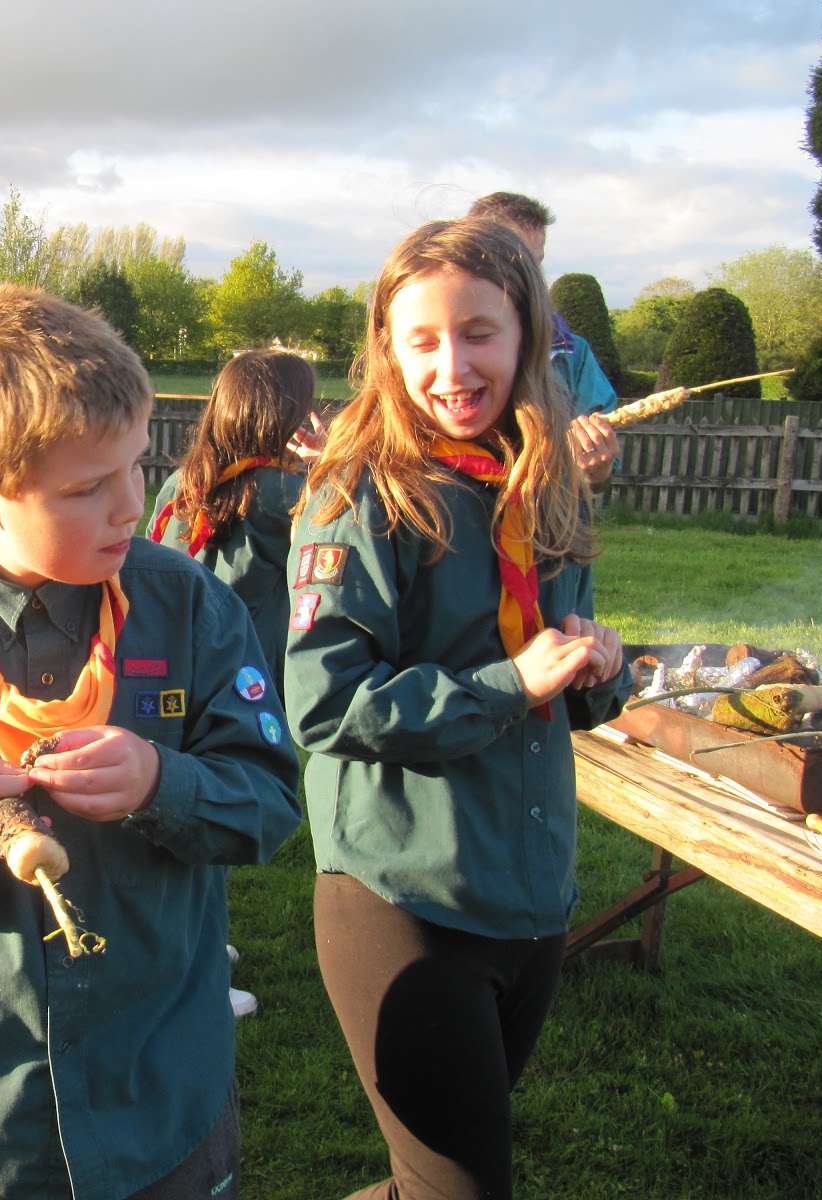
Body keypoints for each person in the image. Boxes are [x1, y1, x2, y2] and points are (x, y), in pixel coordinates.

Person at [0, 285, 302, 1200]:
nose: (132, 504)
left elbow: (271, 801)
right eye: (87, 487)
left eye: (137, 465)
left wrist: (165, 780)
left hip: (162, 1098)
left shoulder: (193, 608)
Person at [284, 217, 631, 1200]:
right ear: (386, 350)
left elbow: (571, 683)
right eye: (422, 339)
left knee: (429, 1181)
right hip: (405, 896)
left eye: (478, 331)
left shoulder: (544, 483)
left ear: (524, 333)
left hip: (529, 894)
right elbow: (324, 703)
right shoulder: (360, 494)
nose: (451, 366)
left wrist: (596, 667)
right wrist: (508, 684)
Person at [149, 348, 320, 1019]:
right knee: (208, 825)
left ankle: (206, 945)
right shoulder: (292, 494)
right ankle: (196, 973)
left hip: (163, 675)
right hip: (236, 689)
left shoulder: (183, 485)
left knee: (183, 813)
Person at [467, 191, 621, 490]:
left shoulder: (571, 354)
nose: (532, 277)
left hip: (542, 529)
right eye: (516, 260)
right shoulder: (436, 348)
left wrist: (596, 472)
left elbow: (597, 481)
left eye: (536, 263)